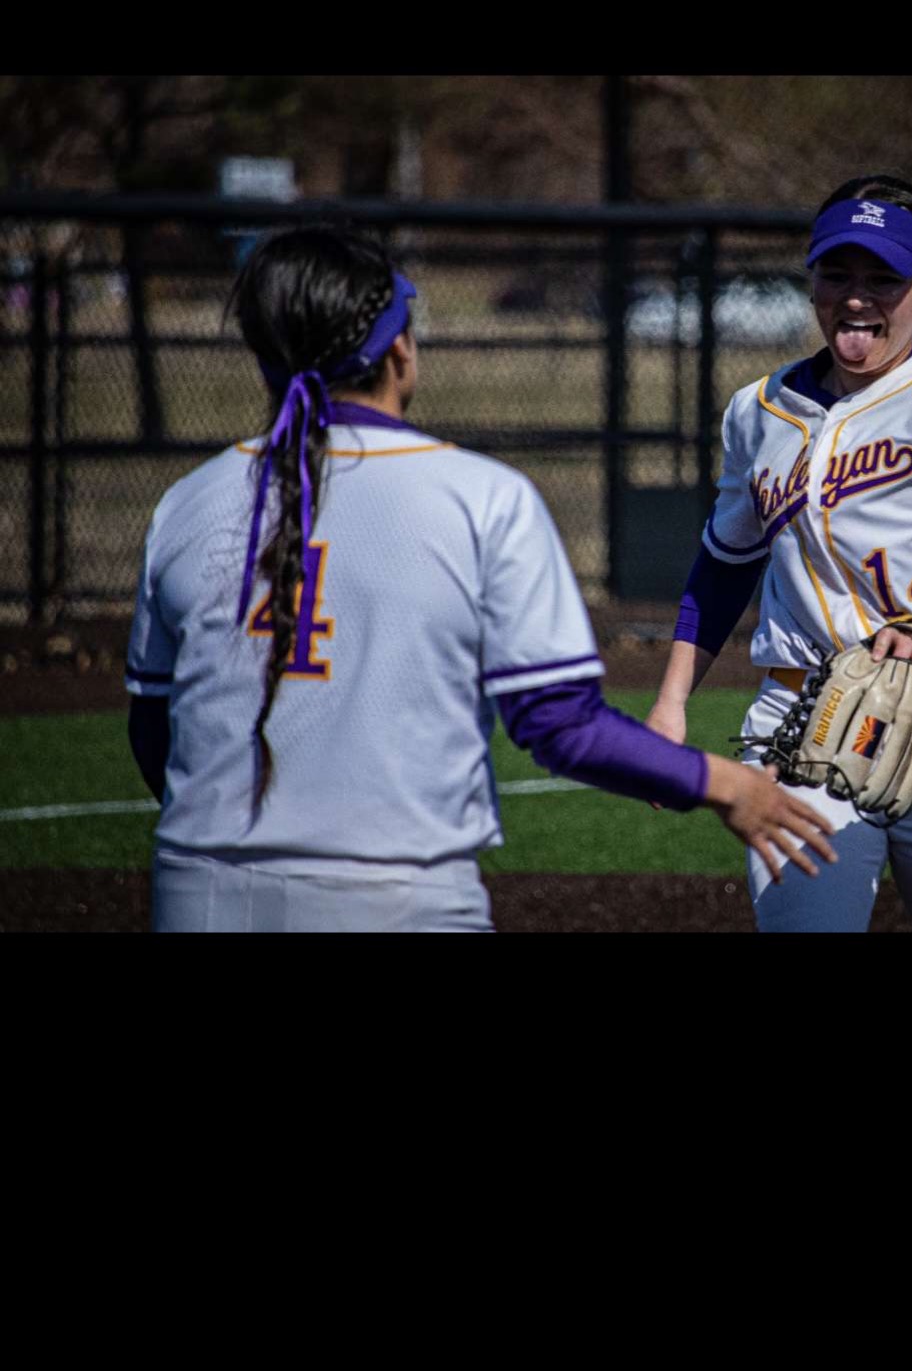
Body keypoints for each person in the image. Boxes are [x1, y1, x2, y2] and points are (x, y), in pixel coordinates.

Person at [125, 225, 835, 933]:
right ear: (401, 350)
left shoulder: (186, 503)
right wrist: (724, 783)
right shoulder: (481, 499)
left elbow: (157, 734)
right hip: (394, 895)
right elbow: (559, 726)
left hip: (199, 891)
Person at [646, 173, 912, 934]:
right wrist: (670, 703)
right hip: (804, 728)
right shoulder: (759, 410)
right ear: (811, 280)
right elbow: (725, 564)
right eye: (836, 273)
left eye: (883, 278)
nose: (856, 298)